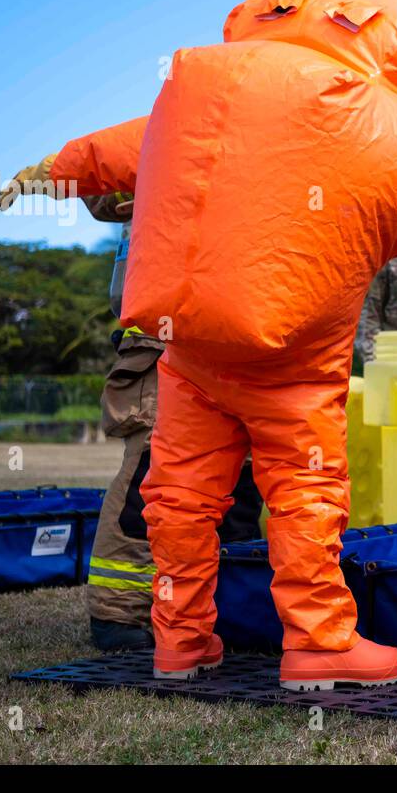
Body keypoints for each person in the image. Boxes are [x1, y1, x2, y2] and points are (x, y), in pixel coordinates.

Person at [0, 0, 397, 689]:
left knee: (180, 495)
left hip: (188, 341)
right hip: (291, 353)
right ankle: (319, 644)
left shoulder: (198, 93)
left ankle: (180, 640)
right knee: (303, 491)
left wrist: (51, 171)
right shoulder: (394, 129)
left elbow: (111, 152)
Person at [77, 194, 263, 652]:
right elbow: (100, 190)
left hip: (238, 340)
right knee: (152, 473)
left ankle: (232, 605)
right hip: (163, 342)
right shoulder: (164, 154)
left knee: (240, 479)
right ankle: (119, 611)